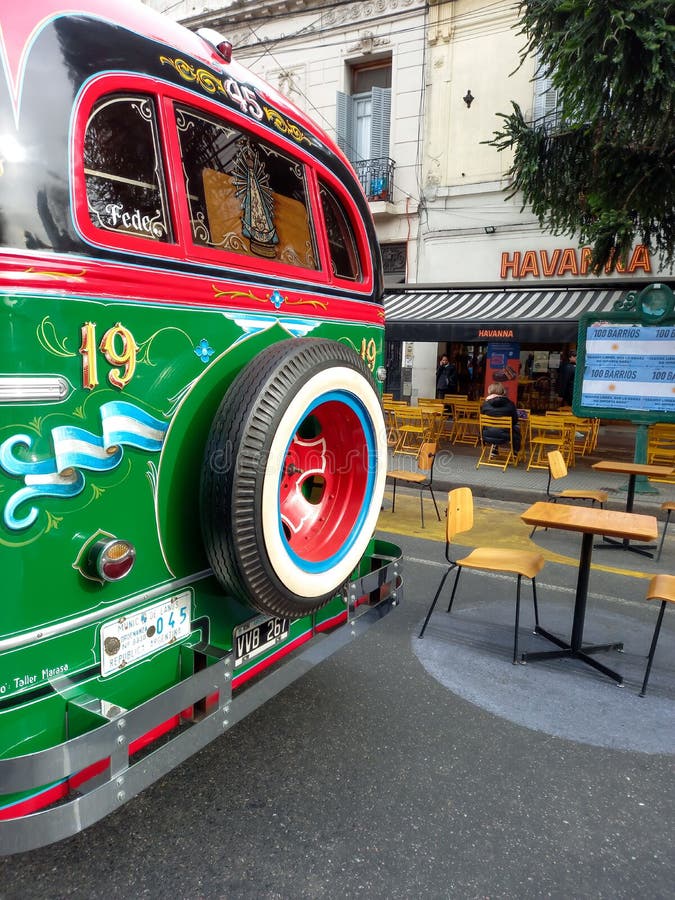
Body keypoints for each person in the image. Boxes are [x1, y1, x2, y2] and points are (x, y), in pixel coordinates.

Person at [481, 382, 521, 452]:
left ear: (489, 391)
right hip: (505, 436)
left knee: (494, 427)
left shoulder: (485, 404)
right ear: (502, 391)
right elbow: (515, 420)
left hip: (487, 434)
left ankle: (494, 448)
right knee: (516, 427)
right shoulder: (510, 404)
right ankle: (515, 451)